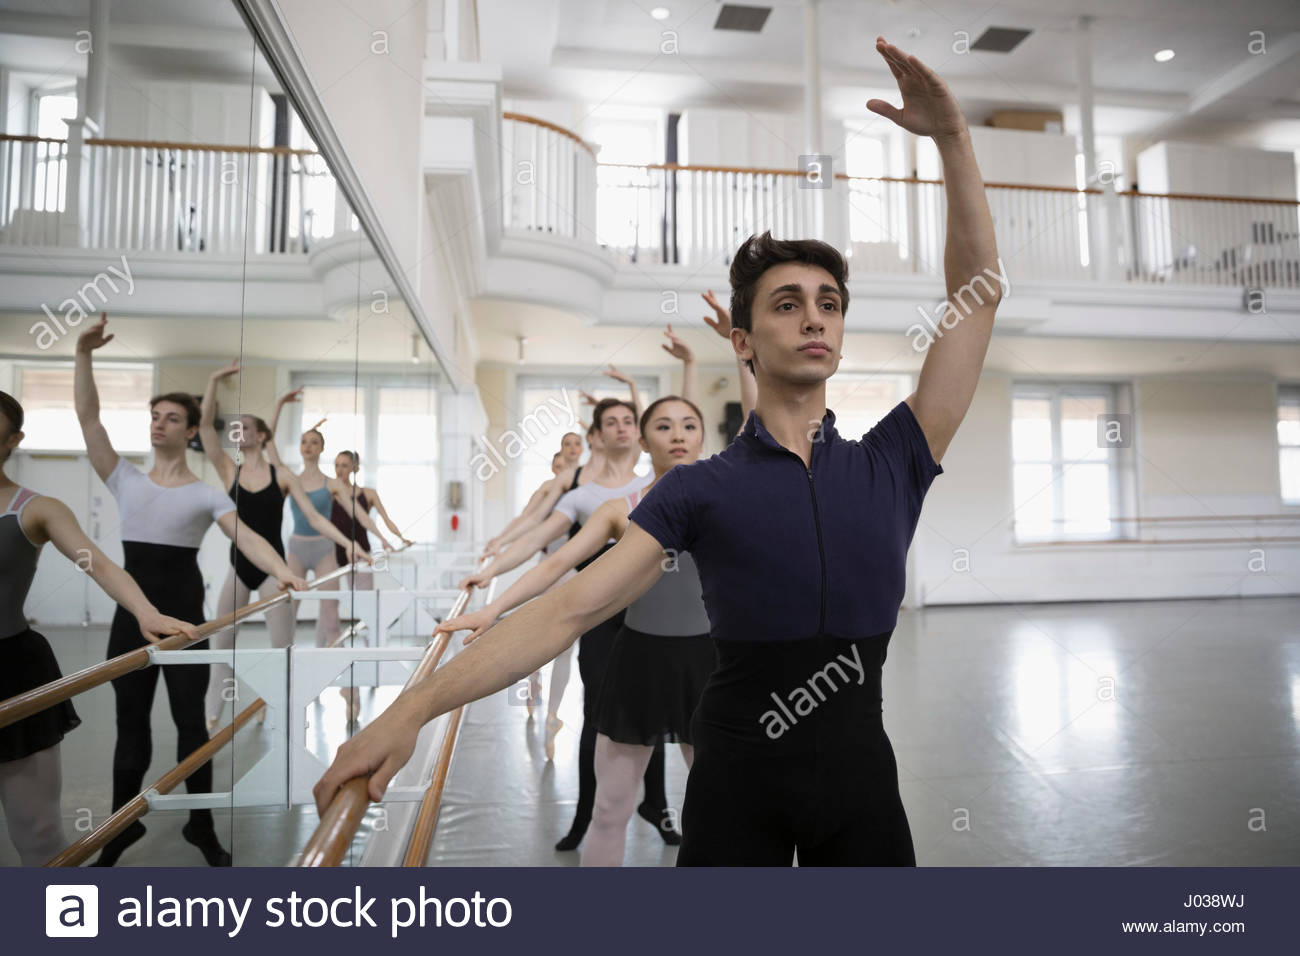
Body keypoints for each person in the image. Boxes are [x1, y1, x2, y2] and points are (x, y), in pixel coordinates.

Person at [315, 38, 998, 866]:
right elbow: (568, 610)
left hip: (860, 787)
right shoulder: (697, 491)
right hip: (735, 782)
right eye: (788, 304)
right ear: (744, 341)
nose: (815, 318)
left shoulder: (894, 458)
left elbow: (976, 297)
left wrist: (955, 142)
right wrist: (410, 710)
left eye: (828, 303)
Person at [437, 396, 712, 866]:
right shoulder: (617, 509)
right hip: (638, 665)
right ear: (645, 442)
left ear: (703, 435)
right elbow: (560, 561)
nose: (680, 435)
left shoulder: (724, 499)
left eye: (690, 425)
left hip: (707, 668)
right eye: (664, 427)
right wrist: (494, 607)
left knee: (719, 811)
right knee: (611, 808)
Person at [75, 314, 307, 866]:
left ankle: (200, 826)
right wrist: (83, 354)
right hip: (129, 620)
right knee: (130, 728)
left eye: (170, 418)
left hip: (186, 622)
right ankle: (121, 826)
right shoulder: (124, 478)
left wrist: (283, 571)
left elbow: (249, 537)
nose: (158, 424)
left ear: (189, 430)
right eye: (154, 416)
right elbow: (87, 419)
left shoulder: (206, 495)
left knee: (189, 726)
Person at [0, 392, 196, 865]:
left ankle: (60, 932)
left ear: (13, 440)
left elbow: (100, 564)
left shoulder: (36, 509)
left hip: (11, 671)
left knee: (39, 832)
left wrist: (144, 612)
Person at [197, 364, 372, 730]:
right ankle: (211, 713)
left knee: (283, 649)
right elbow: (204, 431)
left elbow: (317, 518)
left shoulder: (283, 476)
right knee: (223, 641)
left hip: (274, 570)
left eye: (245, 427)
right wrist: (213, 381)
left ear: (261, 435)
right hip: (238, 568)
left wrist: (348, 544)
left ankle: (286, 709)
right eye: (236, 427)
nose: (237, 432)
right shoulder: (231, 470)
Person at [265, 389, 389, 650]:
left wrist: (383, 539)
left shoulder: (331, 483)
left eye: (314, 442)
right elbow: (268, 443)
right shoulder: (289, 478)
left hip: (324, 551)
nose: (308, 446)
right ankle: (288, 674)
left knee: (331, 615)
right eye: (304, 442)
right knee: (287, 615)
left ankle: (342, 681)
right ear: (299, 448)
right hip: (296, 550)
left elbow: (360, 515)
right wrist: (279, 405)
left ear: (322, 449)